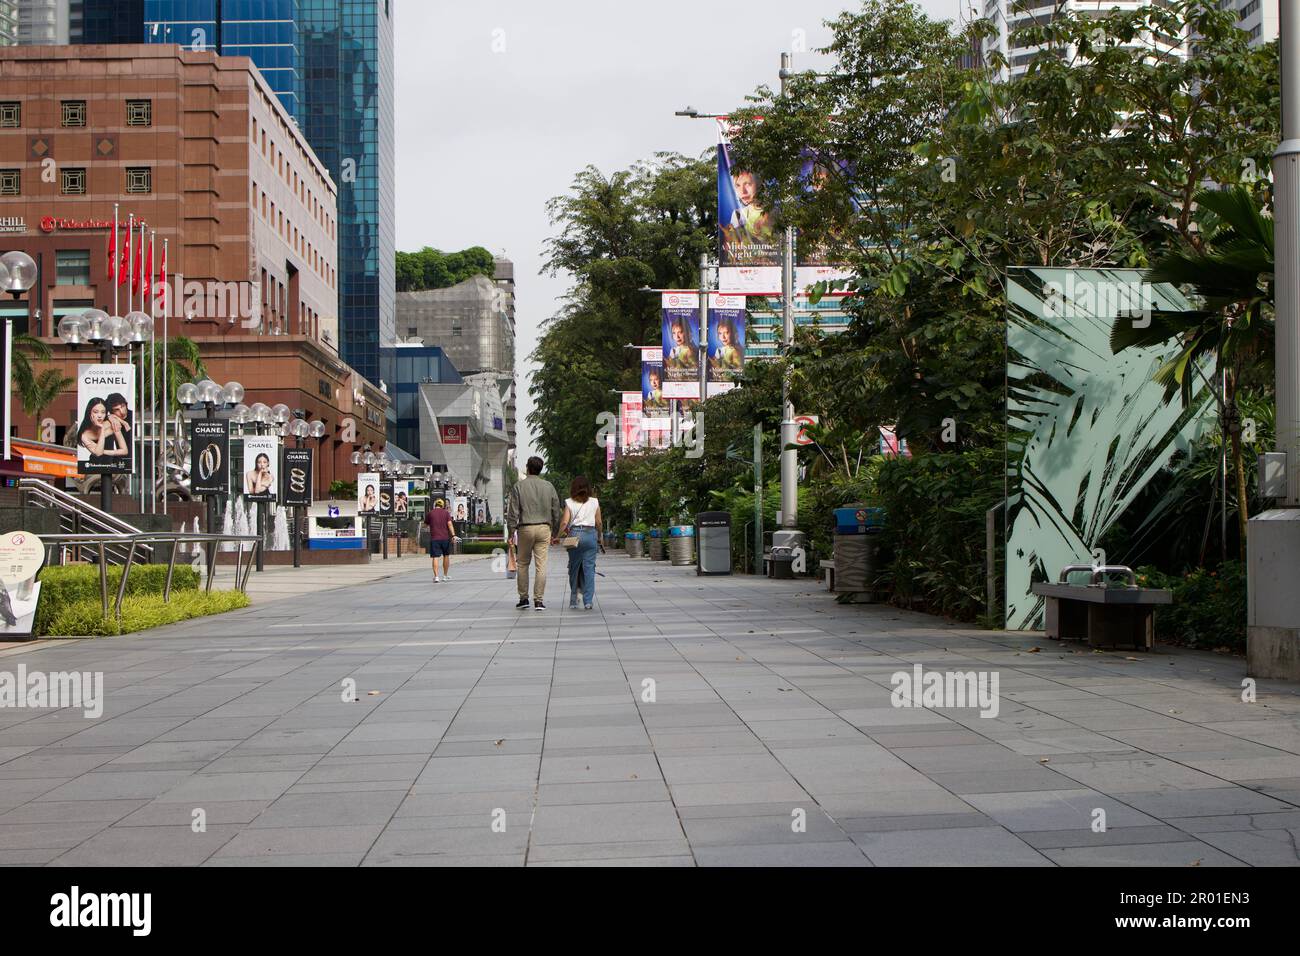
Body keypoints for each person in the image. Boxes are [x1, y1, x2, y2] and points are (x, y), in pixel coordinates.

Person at [506, 455, 561, 610]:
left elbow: (513, 512)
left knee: (522, 563)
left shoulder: (518, 486)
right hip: (544, 528)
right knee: (541, 565)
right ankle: (539, 600)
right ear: (540, 469)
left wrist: (511, 533)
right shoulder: (549, 486)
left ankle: (524, 599)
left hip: (525, 528)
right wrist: (555, 533)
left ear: (527, 468)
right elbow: (556, 510)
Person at [559, 475, 603, 610]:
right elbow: (599, 522)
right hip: (590, 536)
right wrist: (599, 536)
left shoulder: (569, 502)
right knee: (589, 569)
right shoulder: (595, 502)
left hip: (575, 536)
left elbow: (565, 522)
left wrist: (557, 536)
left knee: (574, 568)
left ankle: (573, 601)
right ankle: (588, 601)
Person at [77, 397, 129, 467]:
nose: (99, 416)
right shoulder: (83, 435)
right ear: (89, 412)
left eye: (103, 412)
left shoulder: (111, 423)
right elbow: (98, 453)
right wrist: (101, 428)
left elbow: (124, 451)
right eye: (95, 412)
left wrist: (104, 451)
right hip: (93, 467)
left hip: (111, 466)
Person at [424, 497, 456, 583]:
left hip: (435, 538)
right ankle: (445, 576)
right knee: (446, 556)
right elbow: (450, 525)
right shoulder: (446, 513)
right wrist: (453, 535)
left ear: (435, 505)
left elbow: (425, 525)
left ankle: (436, 576)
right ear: (442, 506)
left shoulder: (430, 513)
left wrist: (430, 525)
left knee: (435, 557)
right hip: (445, 538)